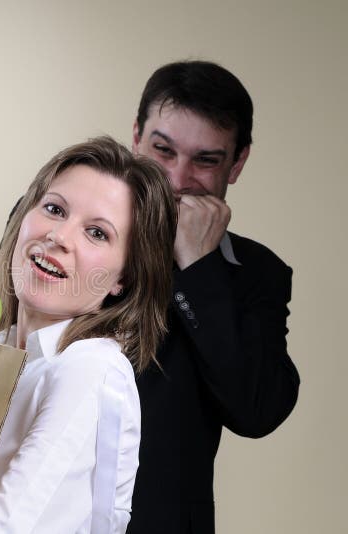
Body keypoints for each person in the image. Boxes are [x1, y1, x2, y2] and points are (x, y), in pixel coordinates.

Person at [0, 136, 177, 534]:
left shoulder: (89, 368)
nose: (59, 236)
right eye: (54, 209)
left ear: (124, 277)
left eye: (97, 233)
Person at [126, 61, 300, 534]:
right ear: (135, 137)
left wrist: (200, 270)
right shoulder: (56, 222)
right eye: (163, 150)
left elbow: (258, 411)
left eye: (205, 160)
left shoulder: (258, 273)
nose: (178, 180)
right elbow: (2, 352)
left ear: (237, 164)